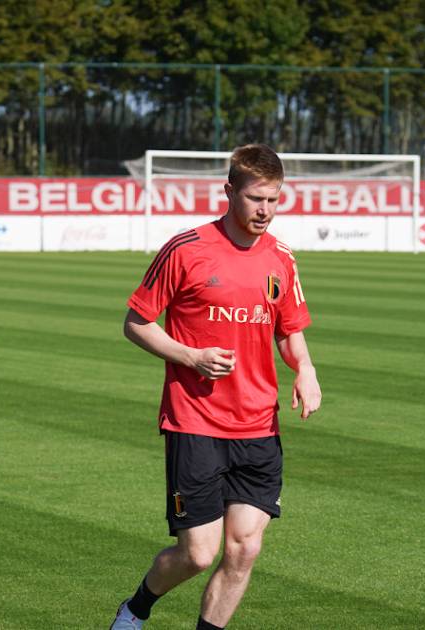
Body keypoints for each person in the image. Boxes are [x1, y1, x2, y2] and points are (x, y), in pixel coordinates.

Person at [110, 144, 321, 630]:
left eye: (274, 199)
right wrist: (192, 356)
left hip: (257, 425)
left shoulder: (282, 259)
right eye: (255, 199)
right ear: (229, 192)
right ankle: (136, 608)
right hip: (195, 422)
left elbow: (290, 330)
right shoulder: (185, 250)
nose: (265, 210)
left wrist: (305, 369)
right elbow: (136, 323)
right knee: (199, 554)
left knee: (245, 547)